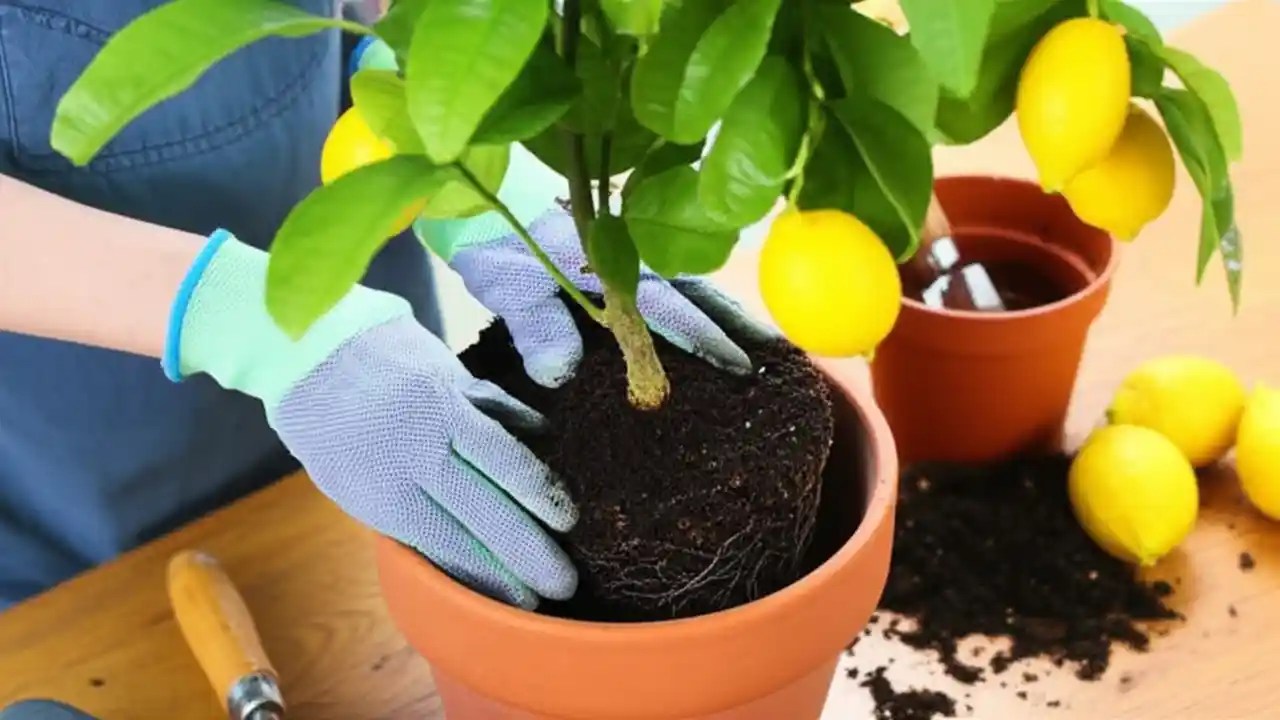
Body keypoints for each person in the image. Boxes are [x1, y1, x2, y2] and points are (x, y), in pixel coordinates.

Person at [0, 0, 763, 626]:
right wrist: (233, 315)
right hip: (89, 439)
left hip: (375, 354)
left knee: (442, 494)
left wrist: (441, 129)